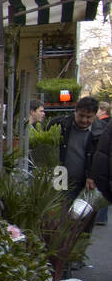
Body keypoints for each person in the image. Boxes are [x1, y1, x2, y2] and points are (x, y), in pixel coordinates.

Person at [54, 96, 105, 242]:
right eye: (81, 116)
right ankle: (60, 252)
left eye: (89, 117)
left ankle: (77, 254)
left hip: (87, 185)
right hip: (61, 180)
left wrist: (94, 176)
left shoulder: (102, 132)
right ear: (75, 111)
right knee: (60, 218)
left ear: (95, 116)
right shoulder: (61, 125)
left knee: (83, 221)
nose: (84, 120)